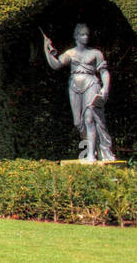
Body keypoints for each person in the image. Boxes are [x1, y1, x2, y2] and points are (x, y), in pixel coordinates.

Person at [43, 22, 114, 162]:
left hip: (91, 84)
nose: (86, 37)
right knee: (78, 122)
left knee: (90, 118)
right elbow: (56, 65)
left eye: (87, 34)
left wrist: (105, 87)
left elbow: (104, 72)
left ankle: (91, 155)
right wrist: (46, 49)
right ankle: (88, 149)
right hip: (74, 86)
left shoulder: (96, 53)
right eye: (82, 34)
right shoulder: (70, 53)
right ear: (76, 36)